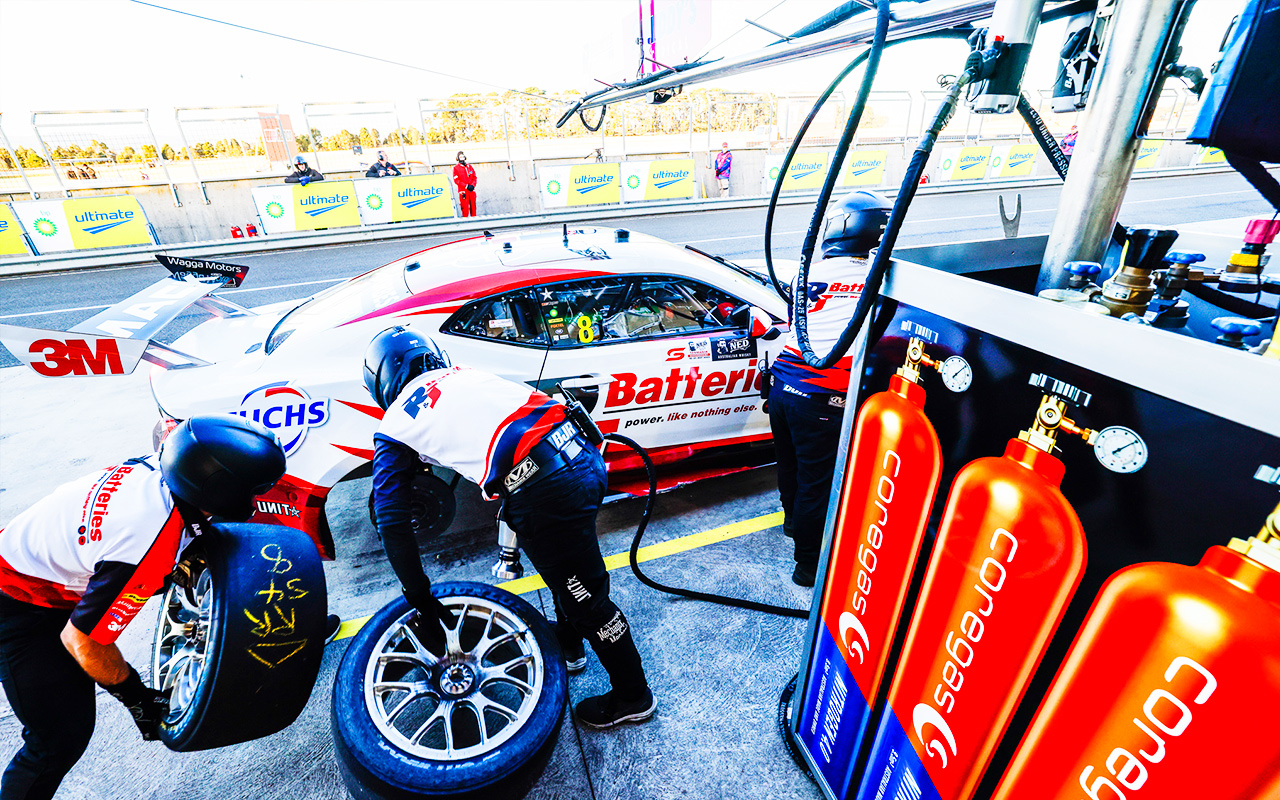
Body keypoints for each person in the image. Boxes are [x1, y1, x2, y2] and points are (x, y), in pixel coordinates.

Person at [363, 326, 655, 728]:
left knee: (587, 599)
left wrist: (420, 597)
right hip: (582, 456)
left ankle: (633, 694)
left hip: (547, 488)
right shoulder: (465, 374)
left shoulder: (395, 422)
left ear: (381, 380)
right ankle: (571, 646)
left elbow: (391, 518)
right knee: (566, 570)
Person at [0, 415, 300, 799]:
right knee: (58, 738)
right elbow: (82, 642)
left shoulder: (167, 460)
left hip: (50, 559)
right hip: (20, 603)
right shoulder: (147, 541)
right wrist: (137, 697)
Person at [767, 190, 891, 587]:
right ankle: (807, 566)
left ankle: (791, 524)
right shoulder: (876, 277)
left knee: (790, 468)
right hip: (821, 397)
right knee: (817, 485)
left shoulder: (807, 271)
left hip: (784, 385)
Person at [452, 151, 477, 217]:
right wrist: (466, 186)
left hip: (471, 190)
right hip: (463, 191)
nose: (462, 158)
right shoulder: (456, 168)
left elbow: (474, 177)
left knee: (473, 208)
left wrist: (473, 185)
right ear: (457, 158)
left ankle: (474, 222)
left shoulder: (469, 166)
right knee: (465, 209)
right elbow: (456, 180)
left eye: (463, 156)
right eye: (460, 157)